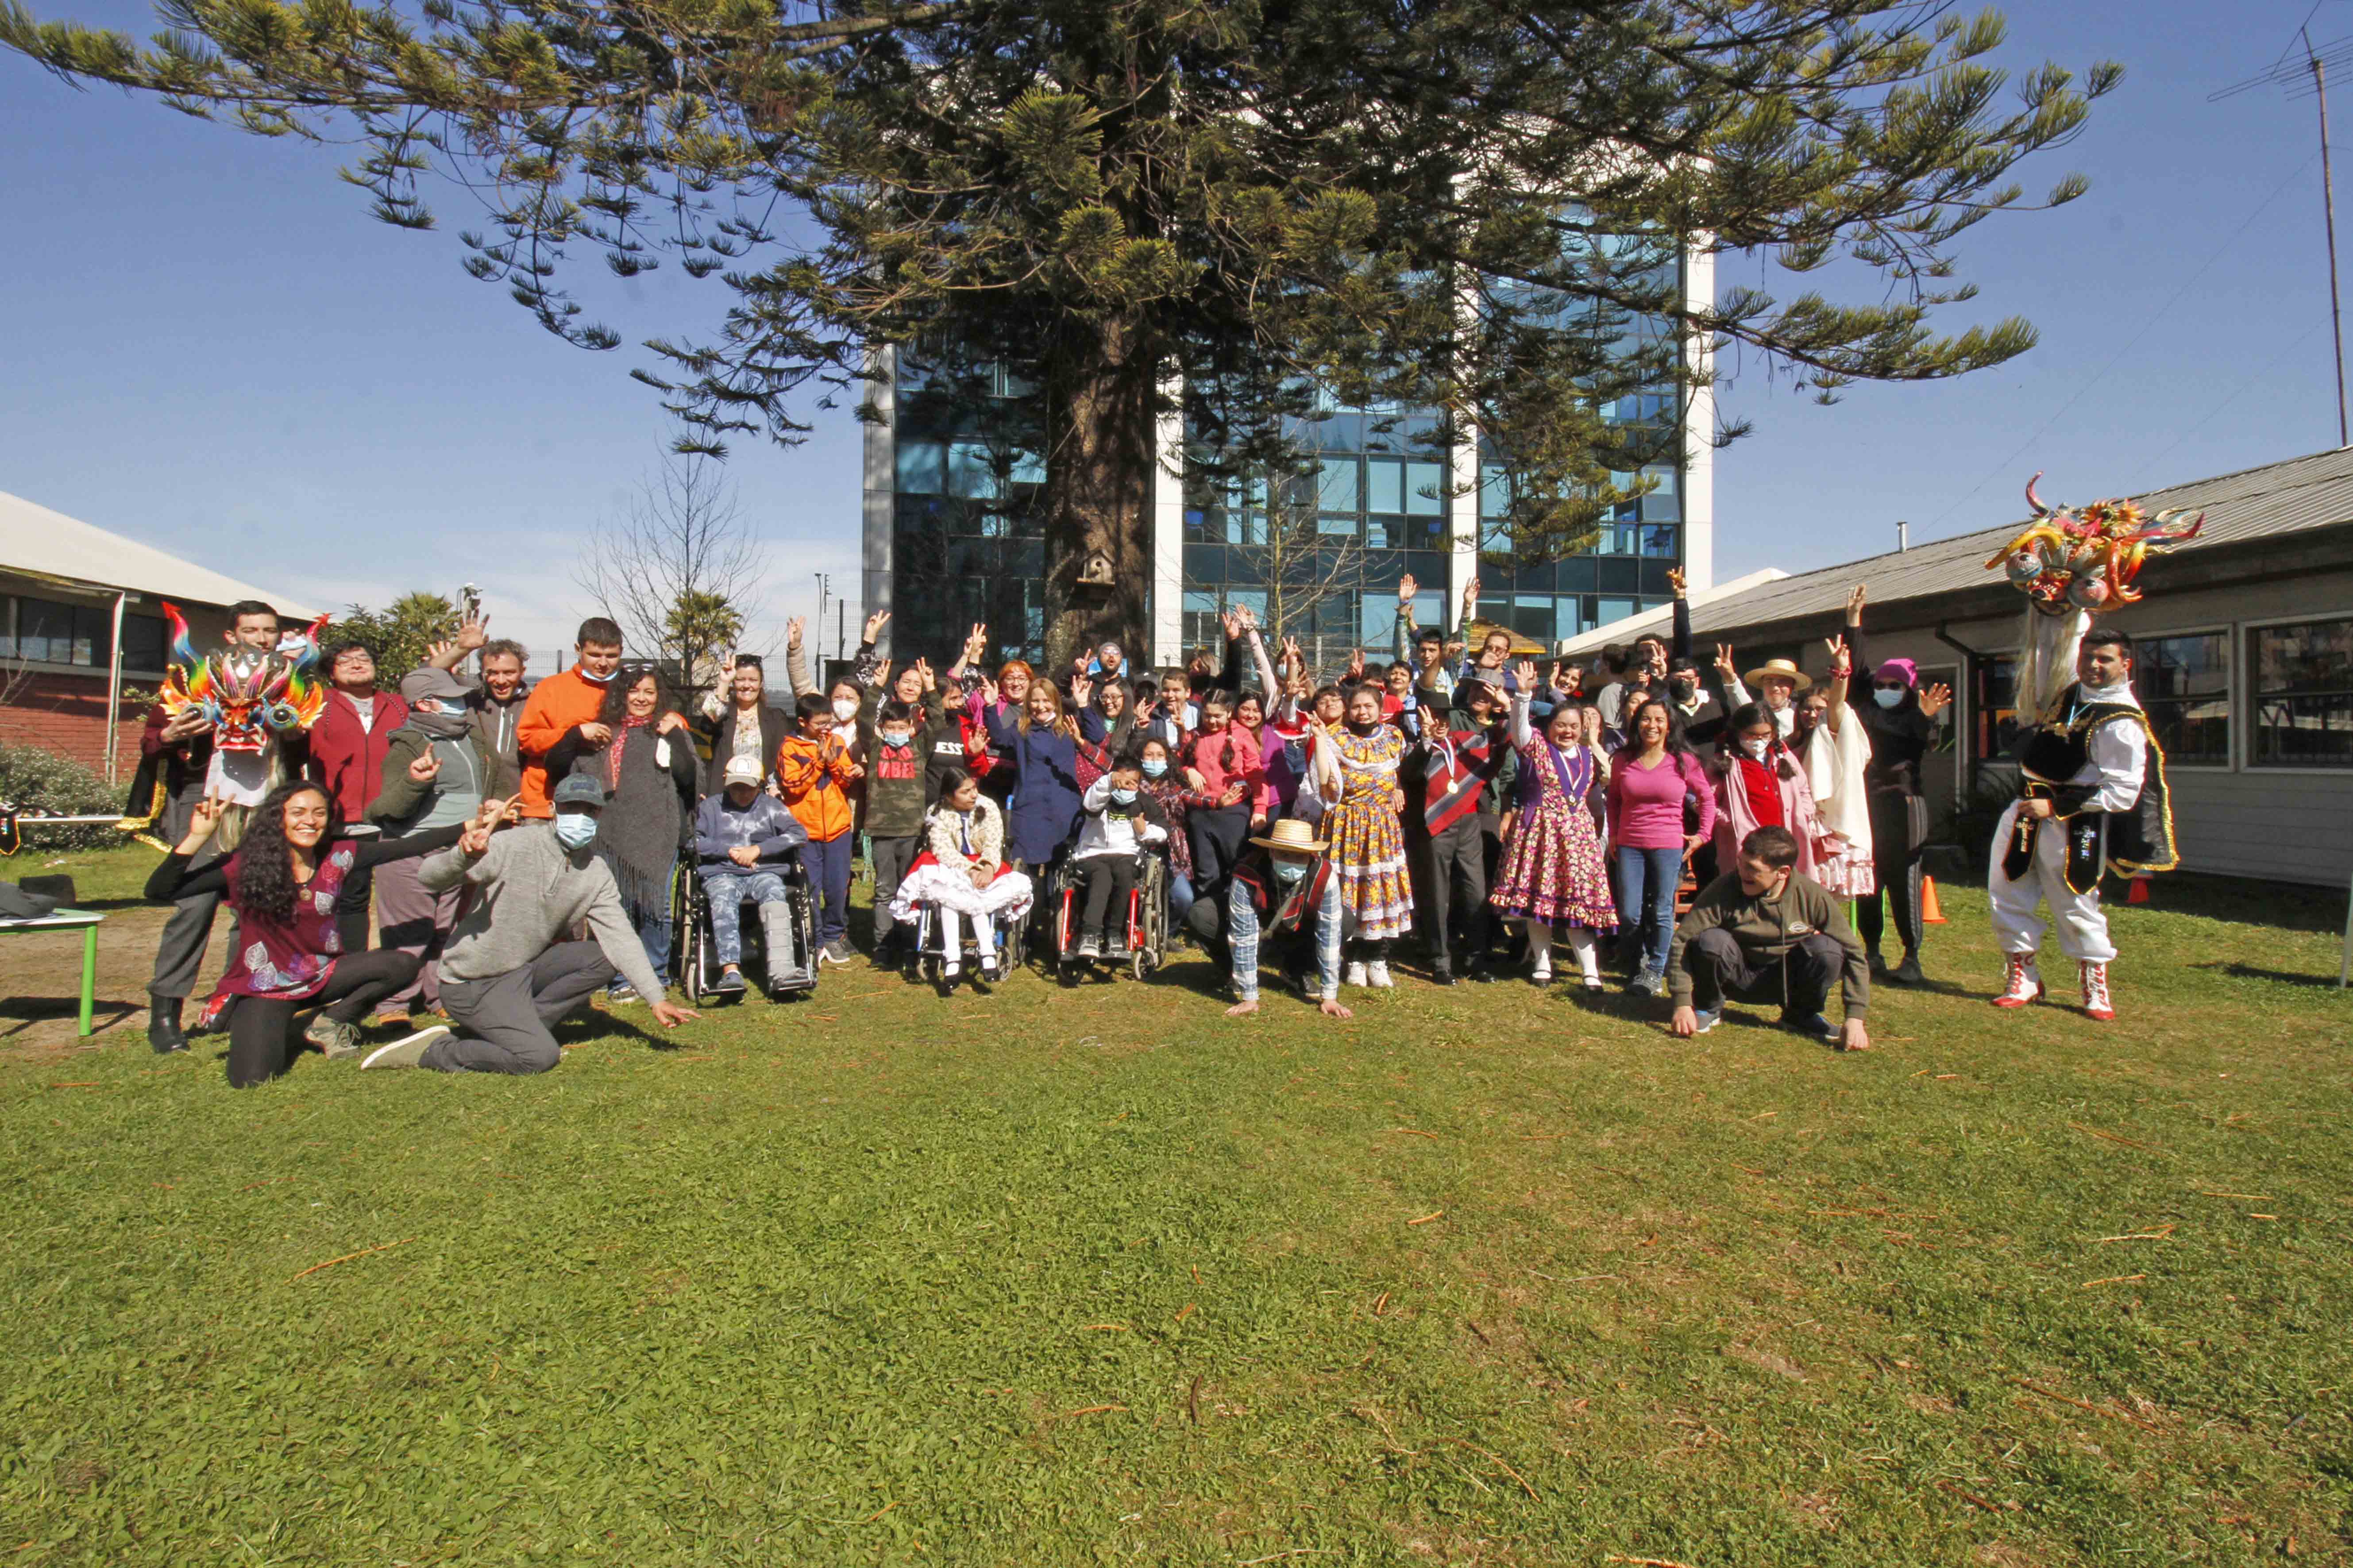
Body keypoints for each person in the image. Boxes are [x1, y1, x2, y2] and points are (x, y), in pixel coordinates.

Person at [364, 773, 699, 1072]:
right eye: (571, 808)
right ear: (554, 809)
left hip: (519, 972)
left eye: (589, 810)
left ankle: (523, 1024)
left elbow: (621, 938)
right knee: (539, 1057)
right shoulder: (512, 844)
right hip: (470, 982)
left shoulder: (596, 872)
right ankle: (438, 1050)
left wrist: (656, 998)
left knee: (602, 956)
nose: (579, 817)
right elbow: (428, 877)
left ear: (599, 814)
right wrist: (462, 856)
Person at [142, 780, 470, 1086]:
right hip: (265, 988)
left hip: (323, 975)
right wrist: (197, 837)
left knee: (401, 965)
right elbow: (159, 891)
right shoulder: (246, 864)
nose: (310, 821)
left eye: (319, 813)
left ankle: (330, 1022)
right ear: (278, 818)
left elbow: (407, 847)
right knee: (252, 1079)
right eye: (298, 813)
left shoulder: (339, 855)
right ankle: (283, 1023)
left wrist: (468, 827)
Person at [140, 599, 308, 1054]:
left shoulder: (291, 681)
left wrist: (294, 731)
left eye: (270, 630)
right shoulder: (194, 677)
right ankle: (166, 1011)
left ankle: (234, 1003)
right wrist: (170, 737)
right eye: (251, 630)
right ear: (232, 635)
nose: (262, 638)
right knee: (193, 904)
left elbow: (306, 738)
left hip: (267, 800)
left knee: (254, 906)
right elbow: (155, 736)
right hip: (205, 798)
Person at [1988, 628, 2175, 1022]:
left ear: (2126, 664)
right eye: (2088, 656)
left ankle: (2094, 983)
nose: (2093, 664)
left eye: (2104, 658)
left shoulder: (2122, 720)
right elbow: (2059, 633)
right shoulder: (2069, 694)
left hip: (2075, 822)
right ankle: (2024, 977)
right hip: (2026, 810)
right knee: (2007, 890)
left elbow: (2123, 791)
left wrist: (2055, 807)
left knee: (2075, 902)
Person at [548, 664, 698, 998]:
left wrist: (674, 734)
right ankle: (620, 978)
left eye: (649, 692)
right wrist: (576, 737)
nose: (642, 698)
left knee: (655, 907)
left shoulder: (668, 731)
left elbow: (689, 778)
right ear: (621, 694)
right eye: (634, 691)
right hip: (611, 834)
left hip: (659, 834)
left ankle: (656, 973)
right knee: (619, 910)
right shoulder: (602, 735)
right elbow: (557, 767)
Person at [366, 666, 498, 1017]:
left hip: (457, 849)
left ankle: (438, 996)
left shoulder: (470, 737)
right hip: (410, 850)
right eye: (452, 698)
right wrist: (414, 781)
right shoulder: (407, 743)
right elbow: (387, 808)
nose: (462, 702)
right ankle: (393, 1003)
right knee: (410, 932)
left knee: (446, 927)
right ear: (425, 703)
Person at [1668, 824, 1872, 1049]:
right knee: (1711, 941)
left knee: (1828, 950)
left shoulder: (1811, 896)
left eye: (1752, 869)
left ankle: (1801, 1015)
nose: (1742, 872)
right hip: (1736, 974)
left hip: (1787, 980)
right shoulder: (1723, 889)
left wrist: (1855, 1018)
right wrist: (1682, 1003)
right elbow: (1681, 941)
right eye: (1740, 862)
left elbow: (1853, 953)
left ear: (1783, 872)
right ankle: (1709, 1008)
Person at [1841, 585, 1952, 985]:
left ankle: (1912, 956)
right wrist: (1854, 621)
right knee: (1868, 879)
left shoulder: (1918, 715)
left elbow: (1921, 743)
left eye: (1896, 685)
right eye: (1883, 684)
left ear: (1909, 688)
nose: (1887, 690)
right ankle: (1872, 951)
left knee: (1904, 876)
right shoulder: (1866, 704)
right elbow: (1855, 668)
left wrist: (1924, 718)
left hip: (1904, 805)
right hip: (1867, 802)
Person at [1489, 663, 1616, 987]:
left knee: (1579, 907)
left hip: (1577, 841)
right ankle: (1542, 965)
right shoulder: (1537, 748)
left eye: (1573, 726)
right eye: (1561, 725)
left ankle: (1590, 971)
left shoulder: (1589, 755)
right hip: (1540, 836)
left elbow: (1595, 799)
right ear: (1550, 727)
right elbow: (1519, 731)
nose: (1567, 732)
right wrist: (1523, 695)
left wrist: (1598, 834)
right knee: (1538, 904)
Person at [305, 638, 411, 960]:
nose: (356, 664)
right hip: (340, 819)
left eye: (363, 658)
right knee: (350, 897)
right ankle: (350, 966)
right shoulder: (315, 705)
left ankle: (400, 967)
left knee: (401, 898)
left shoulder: (398, 704)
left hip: (395, 817)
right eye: (345, 660)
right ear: (331, 671)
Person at [1606, 696, 1714, 997]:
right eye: (1645, 718)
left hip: (1668, 845)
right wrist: (1614, 835)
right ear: (1635, 723)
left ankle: (1655, 970)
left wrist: (1702, 834)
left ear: (1669, 725)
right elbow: (1614, 799)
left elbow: (1706, 797)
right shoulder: (1623, 759)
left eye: (1658, 719)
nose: (1651, 725)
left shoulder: (1684, 761)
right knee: (1630, 913)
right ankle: (1636, 962)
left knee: (1662, 910)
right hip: (1630, 844)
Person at [1402, 673, 1506, 984]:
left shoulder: (1464, 742)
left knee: (1476, 890)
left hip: (1470, 821)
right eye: (1433, 716)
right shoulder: (1414, 747)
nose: (1440, 721)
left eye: (1444, 715)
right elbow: (1408, 774)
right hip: (1432, 826)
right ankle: (1440, 959)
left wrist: (1509, 708)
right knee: (1437, 892)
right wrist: (1425, 739)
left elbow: (1504, 744)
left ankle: (1476, 959)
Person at [888, 767, 1035, 985]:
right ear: (950, 796)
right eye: (966, 792)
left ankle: (987, 954)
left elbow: (994, 843)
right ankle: (953, 958)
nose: (973, 795)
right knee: (950, 895)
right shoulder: (937, 812)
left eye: (974, 788)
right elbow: (943, 850)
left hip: (985, 861)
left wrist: (986, 867)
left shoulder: (988, 807)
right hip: (951, 863)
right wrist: (970, 869)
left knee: (979, 893)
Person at [1193, 817, 1351, 1018]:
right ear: (1271, 852)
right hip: (1259, 929)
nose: (1292, 863)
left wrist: (1329, 996)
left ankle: (1296, 970)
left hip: (1299, 932)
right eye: (1285, 855)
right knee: (1202, 915)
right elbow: (1243, 934)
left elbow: (1329, 935)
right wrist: (1250, 998)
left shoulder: (1325, 876)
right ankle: (1234, 975)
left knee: (1345, 921)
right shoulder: (1247, 874)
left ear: (1310, 856)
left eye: (1300, 857)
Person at [1318, 682, 1416, 987]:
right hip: (1347, 823)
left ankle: (1378, 957)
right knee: (1351, 891)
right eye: (1357, 707)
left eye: (1369, 706)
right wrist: (1319, 740)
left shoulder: (1394, 738)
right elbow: (1326, 782)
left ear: (1380, 709)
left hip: (1382, 826)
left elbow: (1396, 773)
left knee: (1380, 890)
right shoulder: (1336, 738)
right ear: (1349, 709)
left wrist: (1396, 787)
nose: (1363, 712)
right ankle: (1354, 959)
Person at [690, 755, 810, 994]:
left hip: (763, 871)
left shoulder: (772, 806)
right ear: (726, 782)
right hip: (721, 873)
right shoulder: (711, 807)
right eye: (736, 788)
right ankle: (731, 972)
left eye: (749, 788)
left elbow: (799, 834)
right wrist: (730, 852)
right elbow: (695, 842)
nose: (742, 794)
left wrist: (758, 850)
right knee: (722, 898)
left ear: (760, 785)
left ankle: (782, 970)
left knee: (775, 893)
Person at [776, 690, 864, 965]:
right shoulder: (790, 748)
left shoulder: (837, 742)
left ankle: (834, 936)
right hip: (806, 831)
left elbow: (845, 780)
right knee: (809, 888)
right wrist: (818, 763)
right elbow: (792, 786)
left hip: (838, 828)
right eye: (820, 724)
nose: (826, 728)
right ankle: (812, 940)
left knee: (838, 886)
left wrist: (842, 765)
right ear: (803, 721)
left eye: (829, 722)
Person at [1790, 632, 1876, 902]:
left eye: (1818, 709)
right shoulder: (1790, 743)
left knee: (1824, 897)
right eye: (1806, 708)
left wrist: (1840, 672)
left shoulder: (1832, 729)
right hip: (1797, 821)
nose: (1812, 714)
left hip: (1829, 822)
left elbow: (1837, 704)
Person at [516, 617, 627, 820]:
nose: (603, 663)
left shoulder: (630, 689)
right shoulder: (550, 688)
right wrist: (575, 734)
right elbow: (527, 740)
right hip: (547, 803)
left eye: (611, 656)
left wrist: (674, 718)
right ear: (578, 649)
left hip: (606, 806)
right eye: (595, 655)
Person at [867, 690, 947, 961]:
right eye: (891, 728)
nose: (896, 732)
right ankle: (882, 946)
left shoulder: (918, 749)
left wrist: (931, 691)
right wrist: (874, 688)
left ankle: (908, 942)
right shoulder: (876, 749)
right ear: (882, 729)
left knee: (909, 888)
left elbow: (937, 722)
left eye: (902, 728)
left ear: (912, 728)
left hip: (912, 831)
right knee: (884, 890)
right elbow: (864, 719)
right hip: (882, 831)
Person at [1710, 701, 1828, 883]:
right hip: (1745, 844)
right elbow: (1707, 802)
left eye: (1765, 735)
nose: (1759, 741)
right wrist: (1730, 819)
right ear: (1738, 732)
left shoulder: (1784, 757)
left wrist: (1805, 812)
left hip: (1784, 841)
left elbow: (1804, 789)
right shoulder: (1725, 763)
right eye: (1752, 735)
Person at [1068, 759, 1170, 960]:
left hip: (1127, 855)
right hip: (1093, 854)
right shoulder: (1101, 796)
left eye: (1132, 782)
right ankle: (1090, 935)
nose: (1126, 786)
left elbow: (1164, 832)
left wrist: (1145, 831)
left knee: (1124, 874)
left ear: (1139, 783)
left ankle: (1115, 933)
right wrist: (1109, 782)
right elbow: (1090, 804)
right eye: (1122, 780)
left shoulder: (1144, 802)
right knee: (1102, 875)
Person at [1181, 690, 1265, 897]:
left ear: (1229, 713)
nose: (1212, 721)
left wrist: (1260, 810)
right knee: (1206, 870)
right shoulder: (1194, 735)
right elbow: (1179, 763)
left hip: (1233, 812)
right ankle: (1207, 917)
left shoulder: (1242, 735)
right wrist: (1188, 771)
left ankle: (1237, 916)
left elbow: (1256, 775)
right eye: (1207, 715)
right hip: (1202, 811)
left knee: (1236, 867)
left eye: (1217, 716)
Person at [696, 651, 795, 796]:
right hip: (725, 796)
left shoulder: (775, 718)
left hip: (762, 797)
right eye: (741, 679)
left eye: (753, 680)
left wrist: (775, 787)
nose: (747, 685)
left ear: (761, 683)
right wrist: (724, 682)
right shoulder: (725, 715)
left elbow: (782, 758)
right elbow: (707, 726)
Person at [1134, 732, 1200, 924]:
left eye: (1159, 756)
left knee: (1184, 898)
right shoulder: (1132, 786)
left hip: (1172, 852)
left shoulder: (1176, 787)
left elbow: (1196, 798)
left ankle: (1168, 932)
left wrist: (1219, 802)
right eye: (1149, 755)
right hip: (1138, 849)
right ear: (1141, 758)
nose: (1154, 760)